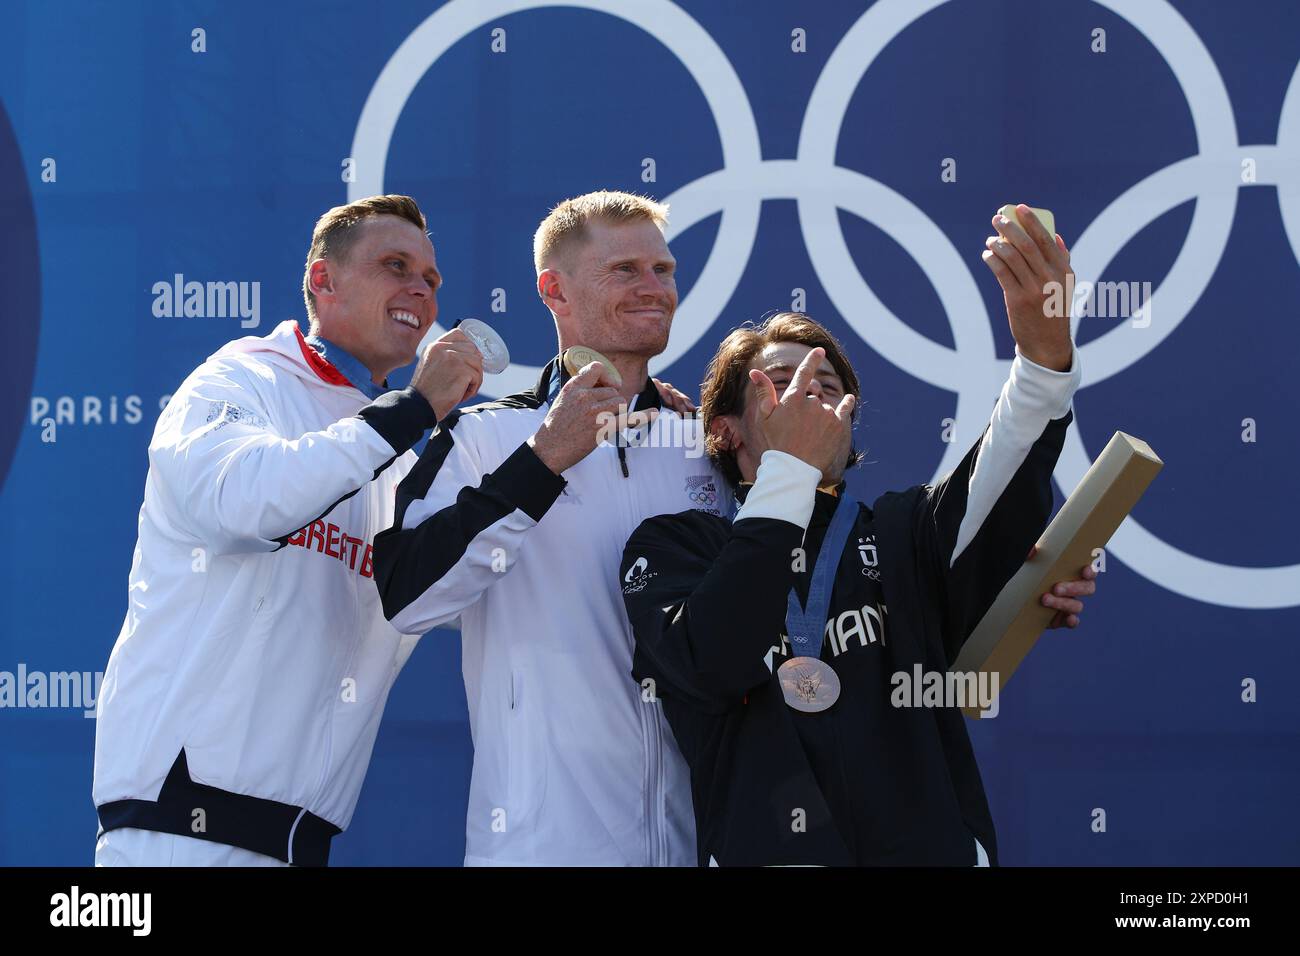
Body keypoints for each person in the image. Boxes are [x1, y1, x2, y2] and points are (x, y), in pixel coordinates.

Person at [375, 194, 1098, 865]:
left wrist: (1016, 574)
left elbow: (830, 553)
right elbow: (410, 598)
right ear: (553, 290)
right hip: (549, 842)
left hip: (707, 842)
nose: (654, 284)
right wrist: (543, 461)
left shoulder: (712, 446)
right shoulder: (486, 438)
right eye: (625, 268)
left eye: (664, 268)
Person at [617, 207, 1097, 865]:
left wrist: (1042, 361)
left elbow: (1001, 479)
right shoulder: (675, 549)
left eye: (828, 387)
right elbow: (711, 662)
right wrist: (787, 477)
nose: (809, 396)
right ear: (723, 428)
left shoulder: (905, 533)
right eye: (780, 384)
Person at [92, 195, 485, 866]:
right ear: (322, 281)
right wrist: (414, 410)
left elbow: (467, 588)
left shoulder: (396, 448)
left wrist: (632, 414)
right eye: (395, 265)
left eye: (431, 279)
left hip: (300, 840)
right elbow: (245, 502)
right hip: (180, 829)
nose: (420, 289)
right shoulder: (239, 379)